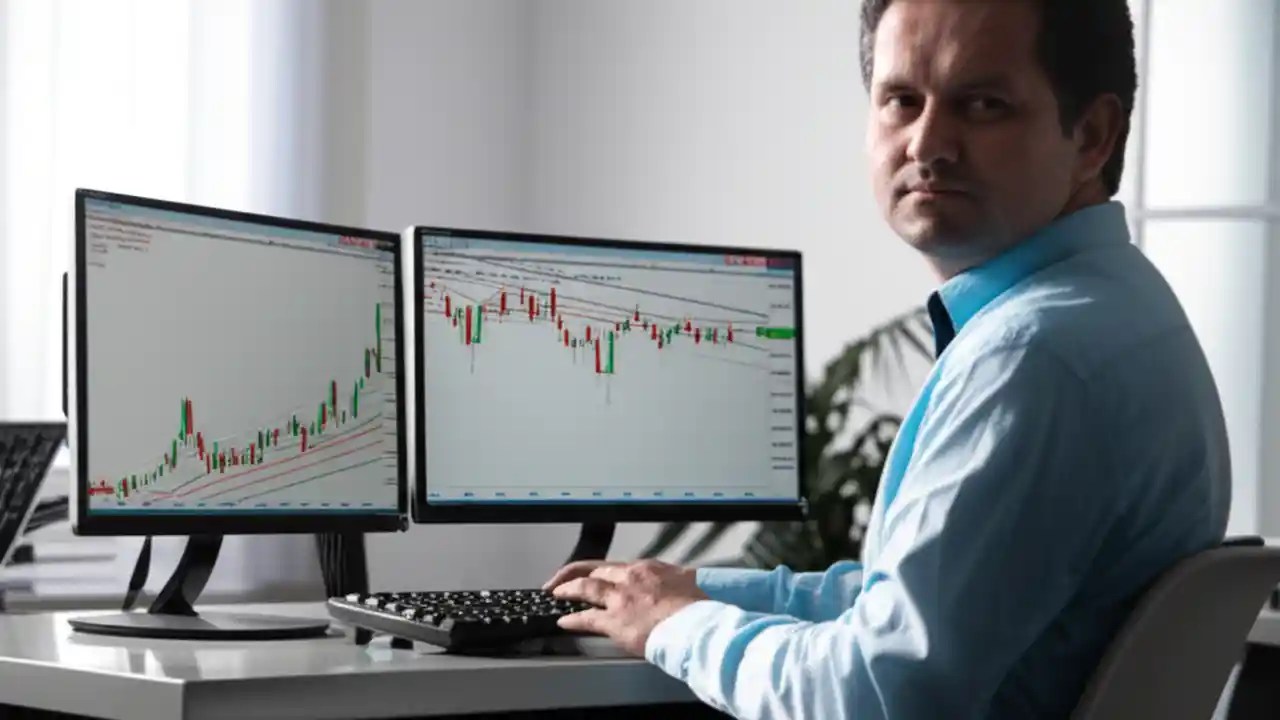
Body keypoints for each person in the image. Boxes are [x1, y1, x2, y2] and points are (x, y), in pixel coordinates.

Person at [544, 0, 1231, 717]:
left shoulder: (1033, 359)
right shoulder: (1120, 310)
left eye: (984, 104)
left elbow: (872, 695)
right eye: (902, 100)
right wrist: (691, 592)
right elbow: (903, 605)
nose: (927, 145)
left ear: (1091, 136)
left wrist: (674, 628)